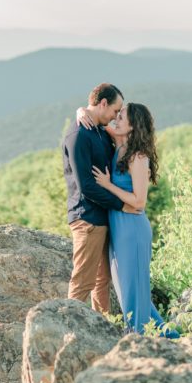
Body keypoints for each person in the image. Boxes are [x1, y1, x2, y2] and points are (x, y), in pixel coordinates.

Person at [78, 102, 180, 338]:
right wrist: (81, 111)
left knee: (134, 291)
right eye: (118, 113)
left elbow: (139, 201)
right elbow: (94, 119)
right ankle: (164, 338)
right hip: (118, 228)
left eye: (122, 116)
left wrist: (108, 185)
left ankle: (139, 340)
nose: (116, 118)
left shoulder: (139, 157)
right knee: (126, 291)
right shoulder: (119, 144)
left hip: (133, 229)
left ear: (133, 126)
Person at [62, 83, 141, 314]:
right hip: (87, 219)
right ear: (103, 103)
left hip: (102, 219)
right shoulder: (79, 135)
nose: (117, 116)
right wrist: (122, 205)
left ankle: (102, 330)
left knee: (101, 282)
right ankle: (67, 329)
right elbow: (86, 186)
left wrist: (82, 109)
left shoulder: (98, 130)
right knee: (82, 282)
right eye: (116, 110)